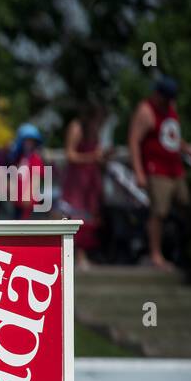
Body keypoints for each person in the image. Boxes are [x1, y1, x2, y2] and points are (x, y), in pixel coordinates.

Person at [129, 76, 191, 270]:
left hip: (176, 169)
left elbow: (170, 135)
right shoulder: (146, 110)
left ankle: (184, 251)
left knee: (186, 205)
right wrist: (139, 172)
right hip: (156, 170)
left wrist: (184, 147)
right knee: (159, 212)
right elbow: (134, 140)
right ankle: (155, 254)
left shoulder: (171, 108)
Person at [63, 102, 107, 267]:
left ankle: (84, 253)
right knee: (77, 216)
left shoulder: (94, 131)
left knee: (90, 217)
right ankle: (76, 254)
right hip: (77, 180)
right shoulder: (77, 127)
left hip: (91, 179)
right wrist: (92, 157)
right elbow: (70, 154)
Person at [9, 123, 47, 220]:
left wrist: (28, 195)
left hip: (28, 204)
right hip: (18, 203)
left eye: (31, 141)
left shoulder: (36, 159)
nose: (28, 144)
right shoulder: (20, 159)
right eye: (26, 141)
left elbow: (36, 178)